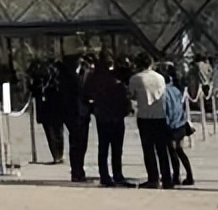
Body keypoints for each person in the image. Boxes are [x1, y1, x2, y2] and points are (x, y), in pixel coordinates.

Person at [84, 52, 134, 187]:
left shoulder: (94, 78)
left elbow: (88, 95)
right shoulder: (113, 78)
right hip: (113, 115)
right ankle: (115, 175)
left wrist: (94, 108)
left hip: (105, 115)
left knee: (105, 147)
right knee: (115, 148)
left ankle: (106, 175)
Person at [128, 54, 172, 189]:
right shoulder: (160, 78)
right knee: (162, 150)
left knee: (148, 149)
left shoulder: (136, 78)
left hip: (144, 116)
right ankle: (167, 178)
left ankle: (153, 178)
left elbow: (132, 95)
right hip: (160, 115)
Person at [60, 54, 93, 182]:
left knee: (82, 143)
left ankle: (79, 170)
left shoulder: (85, 73)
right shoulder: (67, 76)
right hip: (73, 113)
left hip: (83, 113)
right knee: (76, 143)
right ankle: (76, 171)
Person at [162, 68, 194, 187]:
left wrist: (166, 125)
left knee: (173, 151)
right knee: (180, 151)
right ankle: (189, 175)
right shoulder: (176, 90)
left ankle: (176, 176)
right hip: (181, 124)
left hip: (172, 125)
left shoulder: (164, 93)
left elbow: (167, 110)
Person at [33, 59, 65, 163]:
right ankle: (57, 155)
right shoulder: (39, 81)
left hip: (54, 109)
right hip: (48, 110)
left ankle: (58, 155)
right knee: (53, 133)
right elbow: (34, 91)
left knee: (57, 133)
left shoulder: (56, 80)